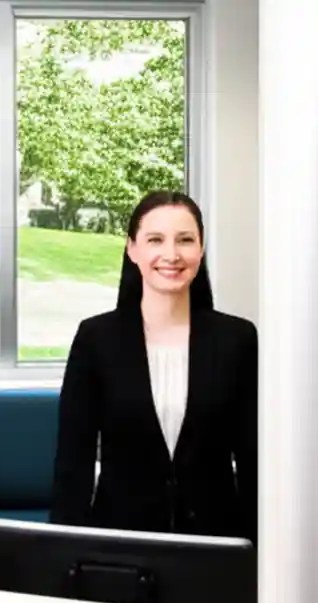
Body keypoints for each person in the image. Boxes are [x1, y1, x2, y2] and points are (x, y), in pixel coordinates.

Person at [49, 191, 258, 542]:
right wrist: (62, 555)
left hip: (216, 542)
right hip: (120, 542)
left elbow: (254, 459)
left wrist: (261, 551)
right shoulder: (96, 338)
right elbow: (73, 461)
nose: (171, 254)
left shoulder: (237, 339)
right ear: (133, 249)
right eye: (155, 240)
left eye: (185, 240)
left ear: (201, 248)